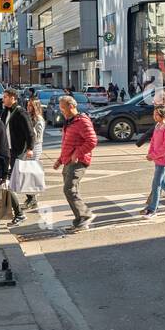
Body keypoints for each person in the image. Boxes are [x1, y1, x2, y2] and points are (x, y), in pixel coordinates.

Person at [54, 94, 98, 232]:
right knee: (71, 191)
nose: (61, 111)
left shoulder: (82, 121)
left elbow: (92, 141)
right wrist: (60, 160)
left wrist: (77, 153)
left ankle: (85, 216)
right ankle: (81, 221)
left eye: (63, 108)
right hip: (68, 161)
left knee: (69, 189)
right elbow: (67, 144)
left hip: (78, 161)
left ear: (72, 106)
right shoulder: (70, 122)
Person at [1, 89, 33, 227]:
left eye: (5, 97)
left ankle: (20, 212)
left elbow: (29, 132)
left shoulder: (20, 112)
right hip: (7, 150)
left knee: (11, 181)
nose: (3, 99)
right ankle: (31, 197)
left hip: (18, 150)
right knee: (15, 179)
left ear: (13, 98)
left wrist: (30, 148)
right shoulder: (4, 112)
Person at [23, 94, 46, 211]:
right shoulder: (29, 117)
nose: (28, 108)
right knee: (26, 174)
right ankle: (30, 197)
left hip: (35, 148)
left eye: (31, 106)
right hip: (28, 147)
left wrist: (29, 128)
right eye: (27, 105)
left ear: (36, 107)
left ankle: (33, 199)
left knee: (30, 174)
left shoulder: (39, 120)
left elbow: (37, 137)